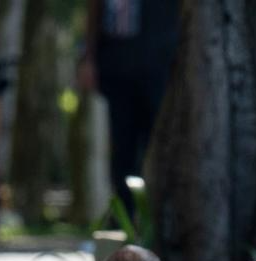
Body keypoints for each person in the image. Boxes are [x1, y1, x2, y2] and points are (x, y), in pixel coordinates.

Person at [77, 0, 180, 216]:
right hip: (117, 66)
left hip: (158, 66)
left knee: (157, 146)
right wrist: (88, 58)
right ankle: (124, 217)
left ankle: (159, 218)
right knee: (122, 150)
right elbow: (94, 10)